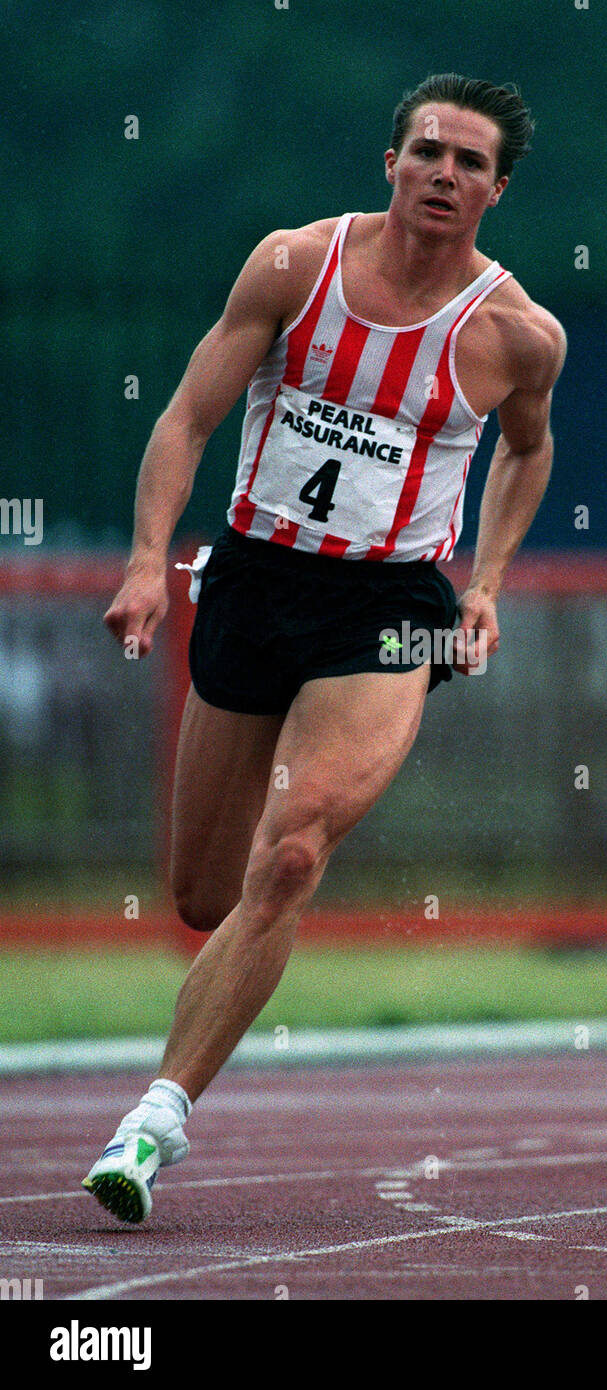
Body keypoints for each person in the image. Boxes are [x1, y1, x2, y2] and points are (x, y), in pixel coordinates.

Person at [83, 73, 567, 1223]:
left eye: (469, 163)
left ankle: (154, 1119)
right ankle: (224, 964)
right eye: (428, 153)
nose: (444, 175)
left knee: (291, 855)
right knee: (203, 892)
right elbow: (187, 416)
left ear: (498, 190)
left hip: (390, 607)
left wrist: (485, 582)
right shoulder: (293, 266)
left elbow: (527, 452)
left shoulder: (514, 334)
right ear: (389, 163)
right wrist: (150, 559)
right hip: (253, 578)